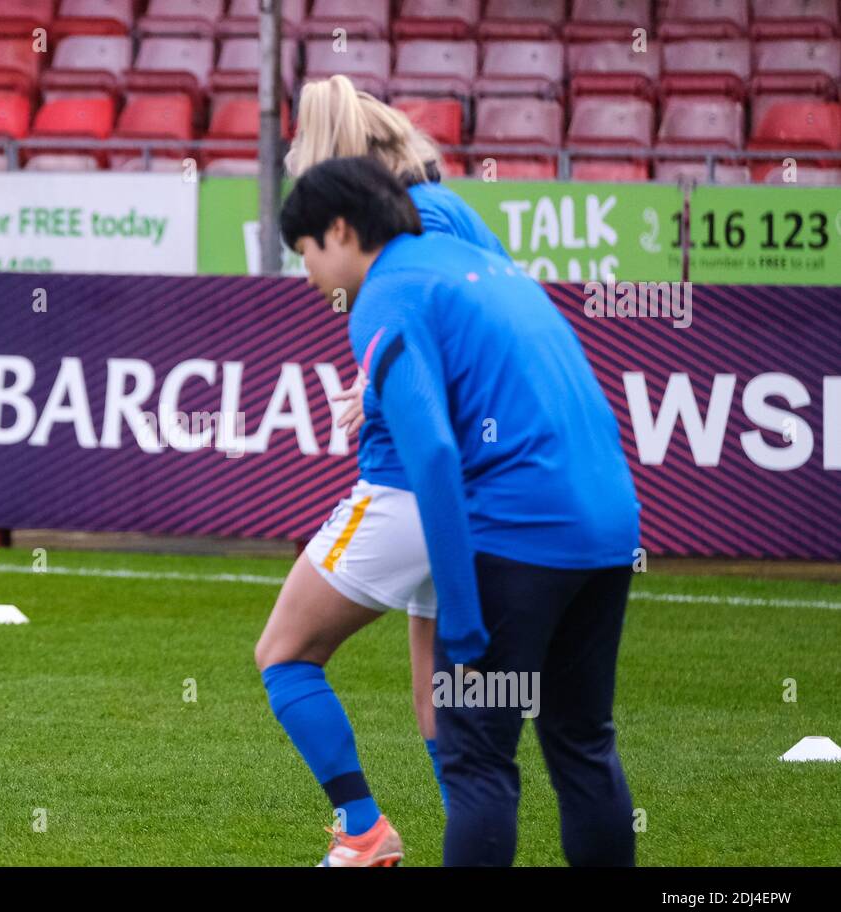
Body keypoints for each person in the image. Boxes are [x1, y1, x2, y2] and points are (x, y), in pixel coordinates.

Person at [280, 155, 640, 867]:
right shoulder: (473, 256)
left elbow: (436, 457)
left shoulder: (386, 295)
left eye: (307, 253)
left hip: (519, 535)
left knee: (477, 761)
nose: (310, 277)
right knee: (583, 745)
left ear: (342, 230)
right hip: (609, 527)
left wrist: (467, 622)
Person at [254, 75, 509, 866]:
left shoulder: (401, 225)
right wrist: (377, 382)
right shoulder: (452, 209)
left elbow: (432, 324)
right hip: (472, 487)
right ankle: (468, 843)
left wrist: (381, 390)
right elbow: (486, 315)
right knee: (440, 691)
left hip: (411, 483)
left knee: (284, 654)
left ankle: (363, 832)